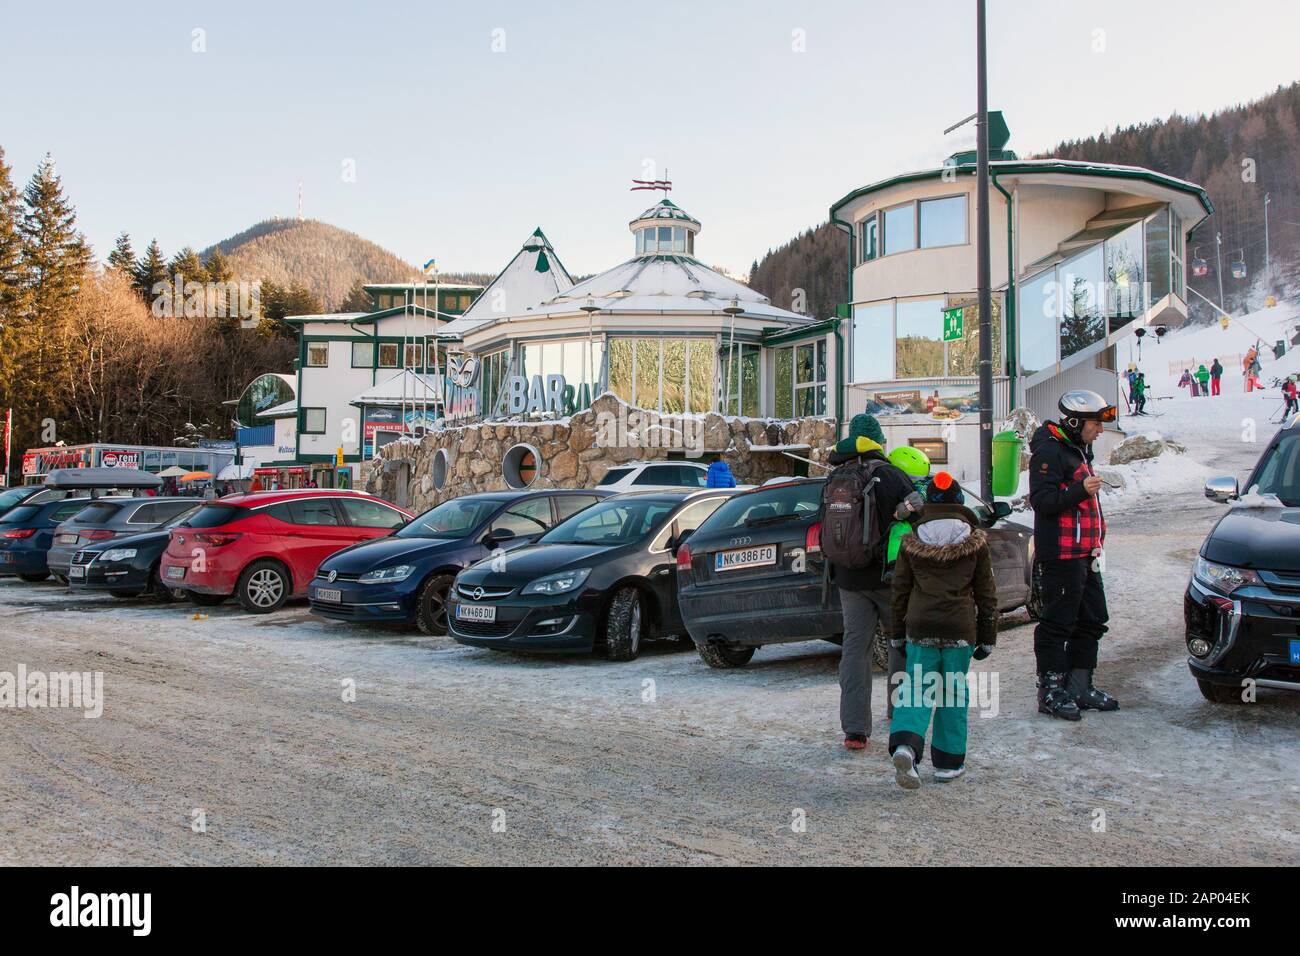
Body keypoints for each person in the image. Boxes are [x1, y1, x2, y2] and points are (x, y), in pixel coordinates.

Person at [887, 472, 997, 788]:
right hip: (959, 628)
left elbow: (900, 591)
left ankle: (907, 744)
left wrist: (897, 632)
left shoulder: (912, 541)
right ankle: (949, 763)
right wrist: (988, 635)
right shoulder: (975, 542)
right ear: (960, 503)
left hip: (921, 627)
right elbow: (987, 593)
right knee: (952, 692)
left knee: (917, 688)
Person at [822, 413, 920, 751]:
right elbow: (921, 516)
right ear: (879, 441)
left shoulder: (835, 477)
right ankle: (900, 710)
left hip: (848, 578)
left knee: (854, 649)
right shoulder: (892, 474)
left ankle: (854, 729)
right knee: (900, 643)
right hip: (891, 578)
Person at [1028, 390, 1120, 721]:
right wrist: (1080, 489)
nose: (1099, 431)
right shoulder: (1049, 452)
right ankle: (1050, 690)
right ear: (1075, 422)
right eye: (1095, 424)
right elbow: (1042, 501)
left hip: (1086, 553)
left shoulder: (1077, 450)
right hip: (1062, 555)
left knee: (1093, 618)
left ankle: (1079, 686)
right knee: (1057, 622)